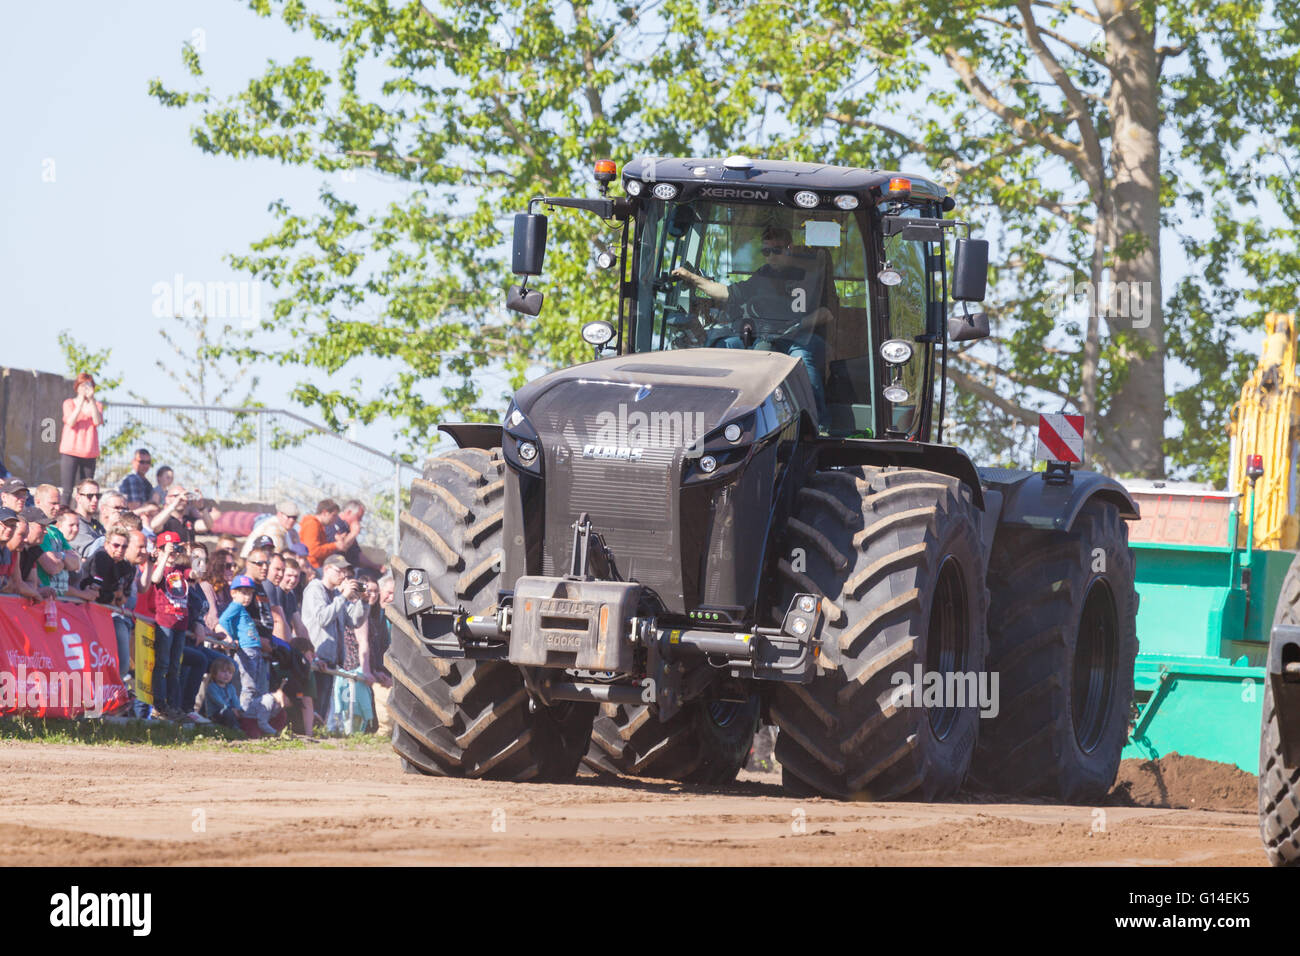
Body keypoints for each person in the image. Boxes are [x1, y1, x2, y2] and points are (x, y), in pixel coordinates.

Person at [672, 226, 832, 417]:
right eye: (766, 251)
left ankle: (818, 421)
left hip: (800, 338)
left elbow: (826, 313)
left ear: (789, 248)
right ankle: (713, 415)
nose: (771, 256)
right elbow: (727, 293)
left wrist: (796, 326)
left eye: (776, 250)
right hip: (762, 338)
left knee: (801, 361)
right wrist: (690, 277)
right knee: (723, 346)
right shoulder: (762, 275)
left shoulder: (810, 274)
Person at [301, 554, 367, 722]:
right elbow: (323, 617)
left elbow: (354, 621)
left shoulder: (336, 594)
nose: (343, 576)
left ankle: (318, 735)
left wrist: (363, 601)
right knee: (313, 705)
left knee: (323, 708)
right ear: (327, 569)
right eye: (340, 571)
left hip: (330, 659)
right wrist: (343, 596)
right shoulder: (315, 588)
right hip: (315, 656)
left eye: (346, 572)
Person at [220, 574, 285, 735]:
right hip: (246, 651)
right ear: (233, 593)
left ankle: (253, 720)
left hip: (254, 651)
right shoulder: (235, 606)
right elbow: (223, 620)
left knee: (256, 687)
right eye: (242, 592)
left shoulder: (242, 609)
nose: (247, 597)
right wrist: (231, 637)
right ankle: (245, 720)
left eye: (249, 593)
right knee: (248, 686)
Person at [136, 531, 191, 720]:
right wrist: (164, 555)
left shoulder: (182, 569)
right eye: (168, 547)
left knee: (175, 666)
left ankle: (174, 705)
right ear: (158, 550)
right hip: (164, 621)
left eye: (175, 547)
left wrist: (190, 552)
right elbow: (155, 579)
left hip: (181, 622)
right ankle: (159, 704)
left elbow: (199, 572)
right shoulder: (160, 568)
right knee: (163, 664)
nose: (173, 551)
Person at [80, 525, 133, 675]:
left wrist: (114, 596)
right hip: (85, 613)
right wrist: (112, 595)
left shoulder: (125, 566)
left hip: (105, 613)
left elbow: (121, 599)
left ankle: (118, 684)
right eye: (116, 545)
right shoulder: (101, 557)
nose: (120, 550)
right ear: (106, 544)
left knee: (121, 633)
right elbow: (95, 590)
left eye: (124, 546)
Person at [59, 374, 104, 508]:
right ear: (77, 387)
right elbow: (70, 421)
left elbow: (97, 421)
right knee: (67, 489)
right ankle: (64, 514)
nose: (86, 388)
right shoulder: (69, 403)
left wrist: (90, 400)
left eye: (89, 385)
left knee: (87, 489)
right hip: (70, 450)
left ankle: (84, 514)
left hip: (89, 452)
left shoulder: (97, 405)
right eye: (83, 385)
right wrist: (80, 404)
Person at [299, 499, 359, 569]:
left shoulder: (320, 526)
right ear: (324, 513)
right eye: (334, 515)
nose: (336, 519)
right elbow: (313, 551)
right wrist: (335, 545)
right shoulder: (312, 524)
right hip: (312, 566)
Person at [200, 657, 244, 730]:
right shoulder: (212, 687)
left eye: (230, 673)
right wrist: (231, 709)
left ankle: (245, 727)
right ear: (214, 673)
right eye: (223, 672)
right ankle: (235, 729)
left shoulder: (231, 687)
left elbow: (235, 700)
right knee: (228, 713)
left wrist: (237, 709)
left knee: (243, 711)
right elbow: (219, 702)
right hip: (216, 713)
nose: (227, 675)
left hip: (230, 710)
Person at [67, 479, 106, 557]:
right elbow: (92, 551)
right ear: (78, 498)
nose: (95, 500)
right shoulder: (74, 523)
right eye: (90, 496)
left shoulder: (96, 524)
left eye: (97, 496)